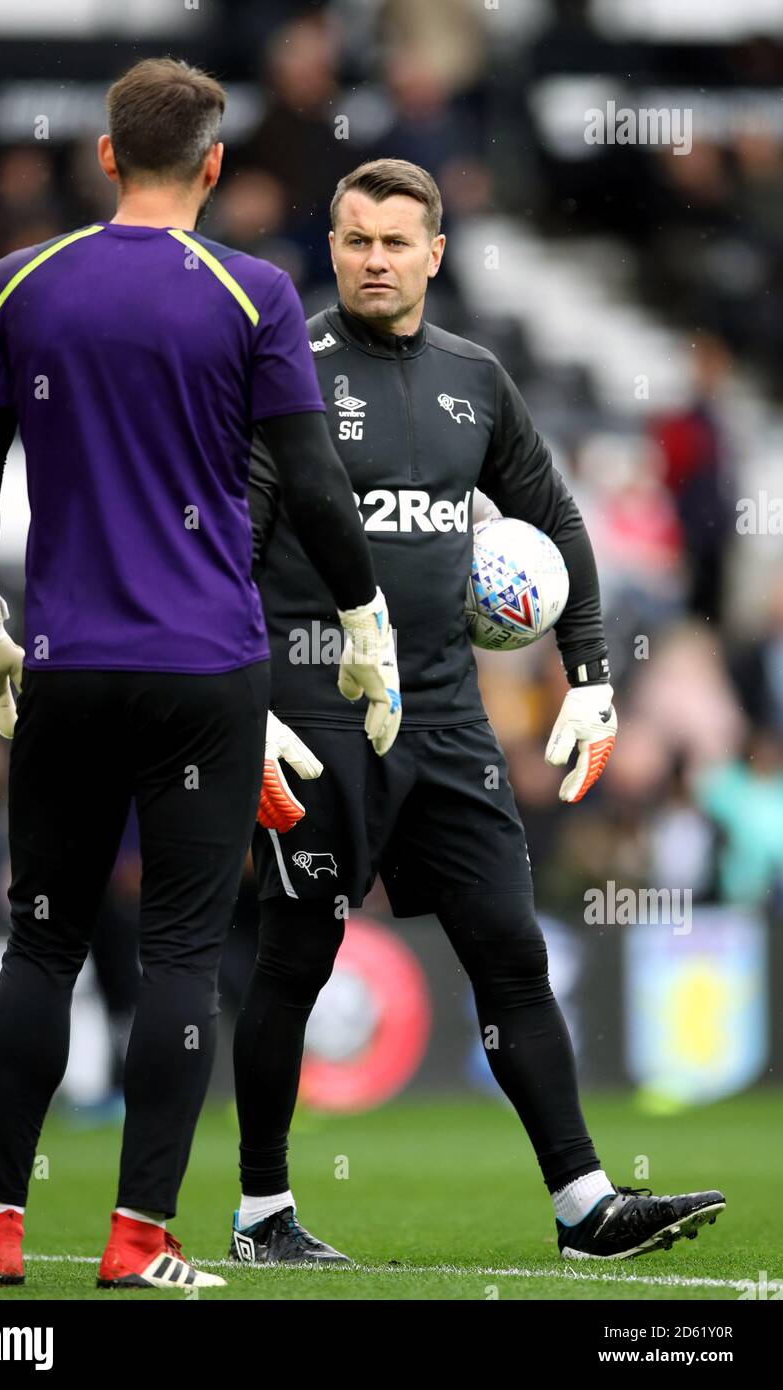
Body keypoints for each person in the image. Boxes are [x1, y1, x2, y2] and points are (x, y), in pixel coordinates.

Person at [0, 60, 401, 1294]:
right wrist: (362, 618)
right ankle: (140, 1242)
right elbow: (308, 483)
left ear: (100, 154)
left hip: (69, 663)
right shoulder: (251, 294)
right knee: (184, 955)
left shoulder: (18, 282)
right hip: (208, 670)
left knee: (40, 944)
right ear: (213, 166)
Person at [229, 158, 725, 1265]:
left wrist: (590, 674)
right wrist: (252, 703)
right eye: (355, 238)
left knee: (509, 950)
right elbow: (231, 555)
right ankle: (262, 1212)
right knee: (296, 955)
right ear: (339, 244)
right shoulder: (290, 372)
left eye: (394, 242)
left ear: (434, 254)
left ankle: (581, 1204)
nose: (371, 258)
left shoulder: (475, 378)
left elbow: (554, 519)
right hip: (319, 711)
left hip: (449, 717)